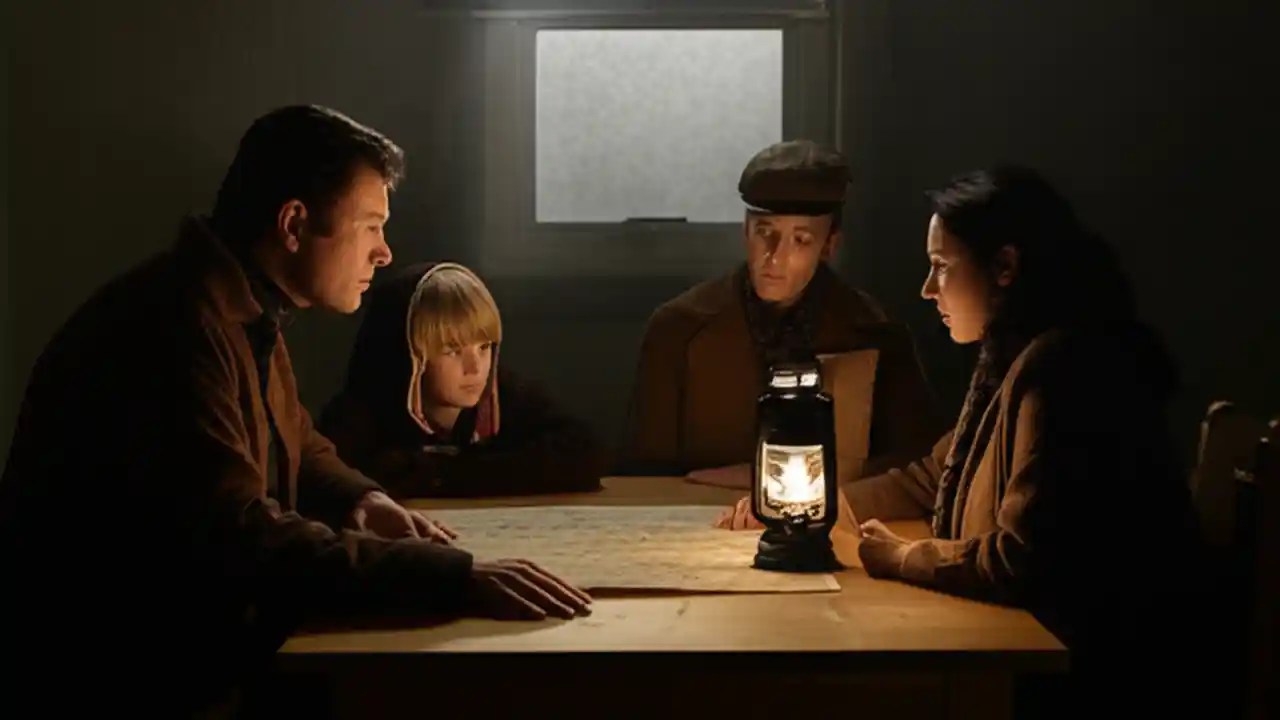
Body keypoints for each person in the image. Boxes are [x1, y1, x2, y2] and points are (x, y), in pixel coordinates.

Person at [0, 105, 590, 715]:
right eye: (369, 227)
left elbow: (296, 438)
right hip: (116, 683)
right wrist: (447, 576)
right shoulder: (176, 328)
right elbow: (239, 535)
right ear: (294, 224)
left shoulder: (239, 306)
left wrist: (363, 499)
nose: (384, 253)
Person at [716, 166, 1212, 714]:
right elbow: (931, 475)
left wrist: (900, 557)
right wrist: (814, 503)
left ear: (1005, 266)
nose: (927, 290)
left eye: (940, 268)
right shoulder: (1013, 359)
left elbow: (1020, 561)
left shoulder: (1064, 370)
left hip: (1076, 682)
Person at [617, 139, 945, 484]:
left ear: (828, 246)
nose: (775, 257)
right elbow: (645, 474)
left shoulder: (874, 333)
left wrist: (770, 477)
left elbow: (918, 464)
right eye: (765, 233)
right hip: (700, 521)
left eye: (801, 240)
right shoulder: (680, 329)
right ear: (745, 230)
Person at [318, 261, 606, 498]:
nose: (475, 367)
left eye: (484, 347)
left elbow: (584, 454)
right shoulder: (359, 413)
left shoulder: (502, 394)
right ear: (409, 356)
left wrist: (442, 473)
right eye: (452, 350)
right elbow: (328, 480)